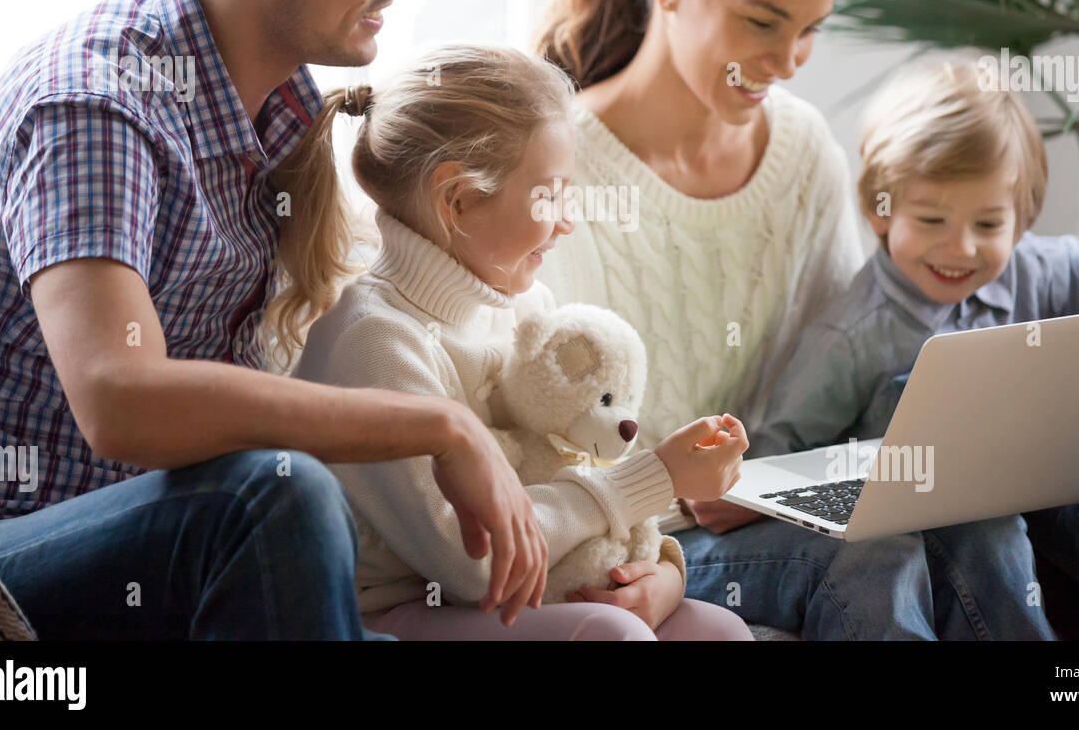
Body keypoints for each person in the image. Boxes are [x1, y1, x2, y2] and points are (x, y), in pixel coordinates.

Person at [0, 0, 549, 638]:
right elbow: (121, 397)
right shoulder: (98, 109)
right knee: (277, 490)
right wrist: (440, 426)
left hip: (158, 545)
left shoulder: (277, 102)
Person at [531, 0, 1055, 638]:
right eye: (763, 23)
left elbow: (863, 349)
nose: (786, 63)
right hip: (657, 538)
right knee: (868, 548)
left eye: (809, 30)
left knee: (980, 521)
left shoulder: (802, 150)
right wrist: (667, 561)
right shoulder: (560, 170)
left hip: (784, 497)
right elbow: (539, 443)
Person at [285, 43, 752, 640]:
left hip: (523, 586)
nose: (567, 220)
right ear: (456, 200)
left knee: (722, 631)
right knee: (614, 636)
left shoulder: (525, 306)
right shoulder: (376, 343)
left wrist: (659, 571)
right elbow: (476, 565)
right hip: (399, 610)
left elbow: (572, 459)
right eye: (550, 194)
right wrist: (657, 478)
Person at [752, 50, 1079, 458]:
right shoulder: (848, 339)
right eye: (931, 221)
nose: (962, 248)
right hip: (896, 508)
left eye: (988, 225)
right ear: (881, 213)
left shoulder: (1028, 269)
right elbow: (778, 448)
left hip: (1018, 493)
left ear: (1020, 225)